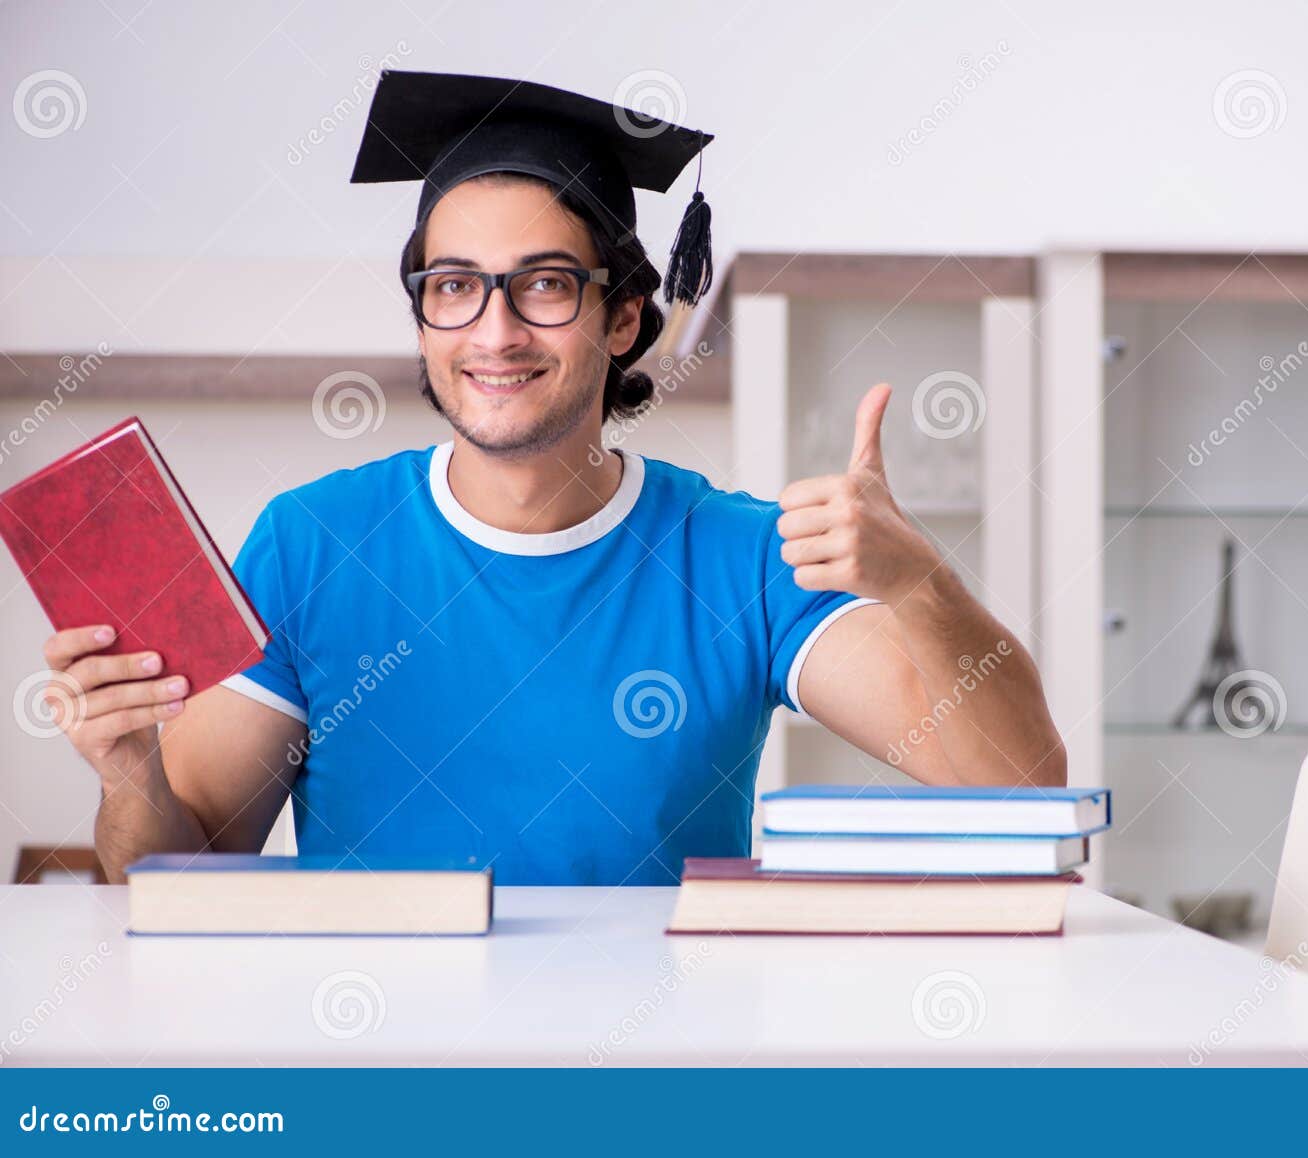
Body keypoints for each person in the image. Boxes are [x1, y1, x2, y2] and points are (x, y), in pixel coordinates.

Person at [39, 71, 1066, 885]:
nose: (494, 330)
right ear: (423, 314)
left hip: (655, 1076)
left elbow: (1017, 794)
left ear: (622, 317)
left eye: (543, 285)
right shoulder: (314, 544)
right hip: (378, 1070)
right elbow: (176, 883)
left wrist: (923, 585)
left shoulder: (744, 557)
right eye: (453, 288)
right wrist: (131, 776)